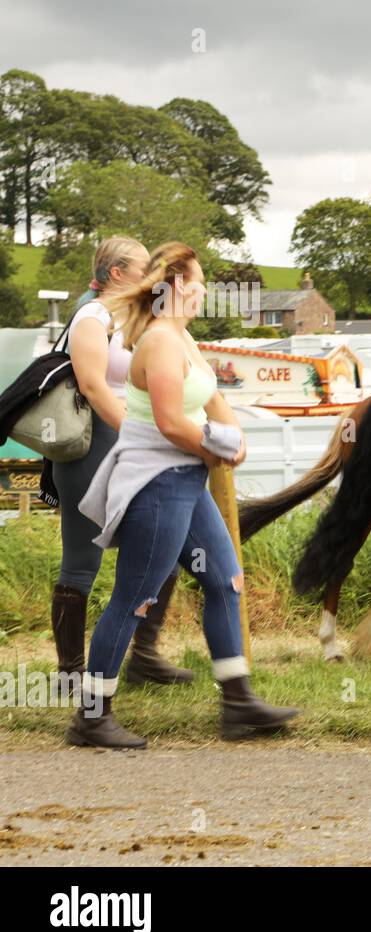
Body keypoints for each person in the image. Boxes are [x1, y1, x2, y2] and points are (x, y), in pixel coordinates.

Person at [66, 242, 299, 748]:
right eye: (197, 283)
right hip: (155, 484)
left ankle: (238, 702)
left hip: (187, 482)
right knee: (134, 598)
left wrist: (232, 436)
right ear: (174, 287)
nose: (204, 292)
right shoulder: (159, 343)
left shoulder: (182, 338)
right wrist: (217, 446)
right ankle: (90, 716)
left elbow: (213, 398)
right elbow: (172, 422)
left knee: (224, 581)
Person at [50, 237, 193, 686]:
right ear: (116, 274)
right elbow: (92, 387)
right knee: (81, 561)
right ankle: (70, 672)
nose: (151, 271)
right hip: (93, 449)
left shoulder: (140, 319)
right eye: (143, 265)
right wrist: (140, 436)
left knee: (165, 548)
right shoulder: (91, 317)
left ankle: (144, 656)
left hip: (136, 447)